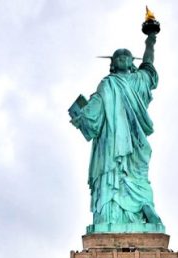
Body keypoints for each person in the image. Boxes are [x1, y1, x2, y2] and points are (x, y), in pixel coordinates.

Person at [69, 33, 164, 231]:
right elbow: (93, 112)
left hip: (134, 141)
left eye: (126, 56)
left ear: (131, 62)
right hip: (111, 141)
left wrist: (151, 39)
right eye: (118, 57)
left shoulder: (139, 80)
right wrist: (82, 115)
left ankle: (143, 207)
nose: (122, 58)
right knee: (113, 173)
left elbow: (148, 64)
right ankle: (109, 215)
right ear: (113, 63)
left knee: (136, 174)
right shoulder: (107, 84)